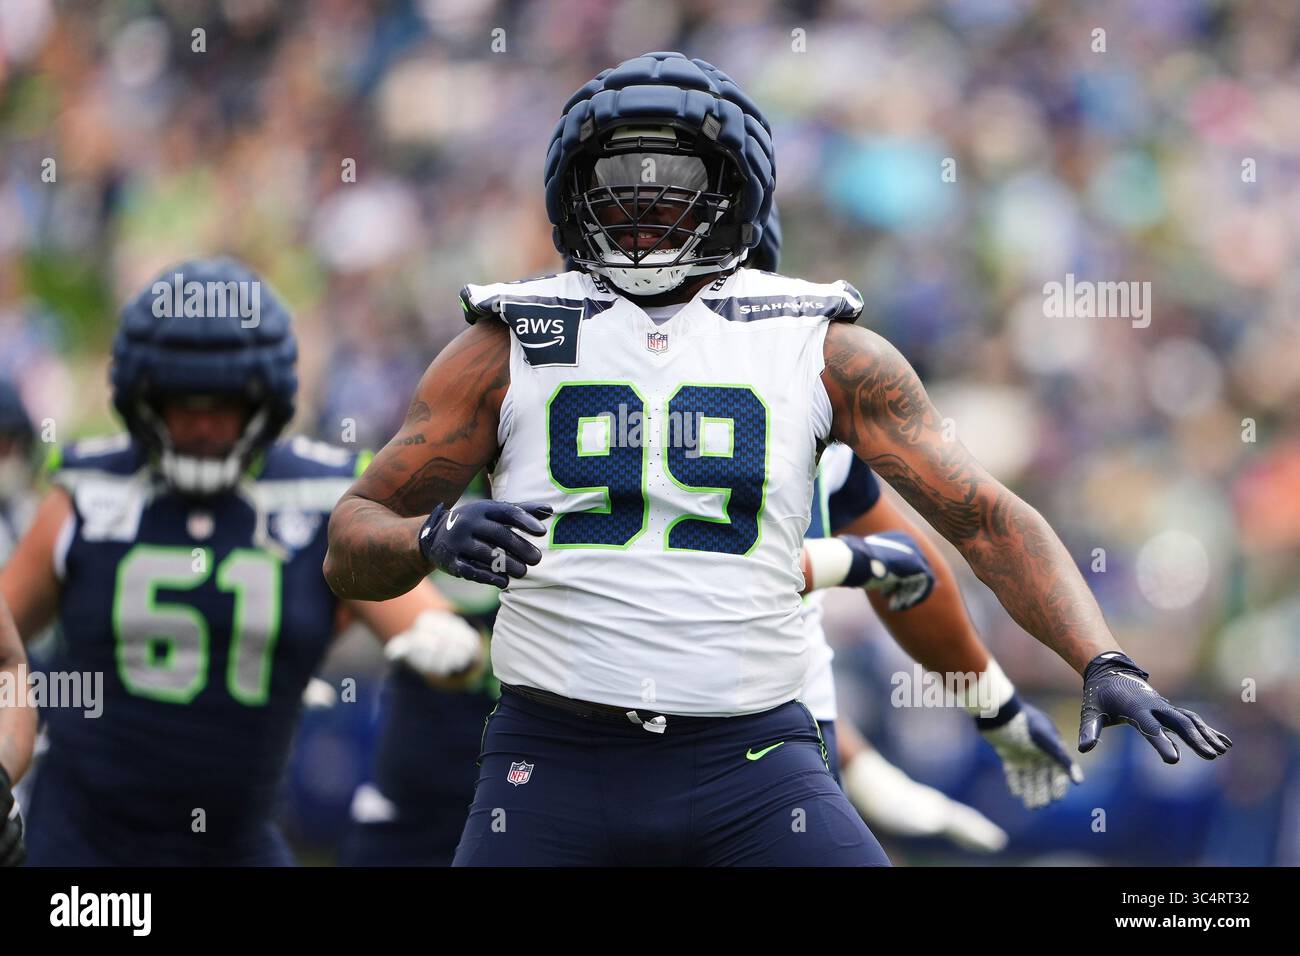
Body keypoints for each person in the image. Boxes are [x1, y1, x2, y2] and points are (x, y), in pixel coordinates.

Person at [324, 53, 1230, 866]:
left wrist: (1103, 659)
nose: (640, 207)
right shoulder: (503, 343)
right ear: (572, 189)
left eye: (670, 181)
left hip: (751, 764)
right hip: (553, 755)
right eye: (618, 181)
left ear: (731, 190)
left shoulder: (823, 347)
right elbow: (350, 542)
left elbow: (981, 520)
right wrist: (431, 536)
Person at [0, 257, 481, 865]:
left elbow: (433, 632)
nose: (202, 426)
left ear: (264, 398)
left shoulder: (319, 499)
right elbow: (2, 650)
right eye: (183, 406)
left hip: (234, 841)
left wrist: (444, 644)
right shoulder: (88, 495)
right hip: (82, 845)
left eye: (221, 406)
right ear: (143, 397)